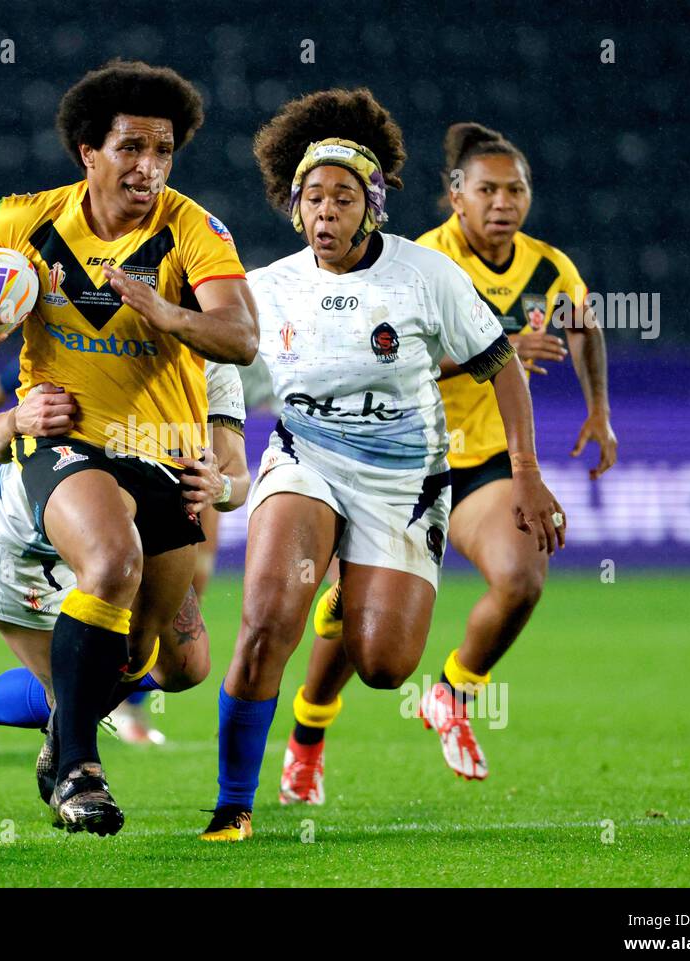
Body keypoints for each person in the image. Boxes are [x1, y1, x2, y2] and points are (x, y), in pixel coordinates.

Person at [0, 60, 257, 836]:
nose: (149, 167)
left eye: (164, 151)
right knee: (113, 563)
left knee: (143, 662)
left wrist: (169, 315)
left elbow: (241, 336)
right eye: (131, 148)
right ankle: (78, 771)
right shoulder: (30, 221)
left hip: (159, 453)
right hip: (63, 440)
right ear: (88, 152)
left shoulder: (193, 230)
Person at [199, 89, 565, 842]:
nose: (325, 213)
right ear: (294, 208)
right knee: (267, 621)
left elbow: (502, 365)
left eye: (343, 198)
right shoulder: (264, 289)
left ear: (375, 206)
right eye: (311, 199)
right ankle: (233, 804)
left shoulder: (425, 276)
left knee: (386, 667)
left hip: (405, 485)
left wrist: (525, 471)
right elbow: (209, 373)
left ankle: (344, 595)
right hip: (305, 460)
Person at [280, 122, 616, 802]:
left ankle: (454, 695)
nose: (503, 202)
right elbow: (377, 363)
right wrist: (495, 355)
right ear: (455, 197)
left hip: (484, 461)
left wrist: (598, 410)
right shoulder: (414, 263)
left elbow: (584, 325)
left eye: (515, 190)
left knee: (522, 579)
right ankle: (308, 737)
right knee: (352, 621)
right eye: (487, 189)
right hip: (398, 461)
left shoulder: (549, 267)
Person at [0, 359, 249, 789]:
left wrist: (220, 487)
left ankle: (67, 727)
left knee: (187, 665)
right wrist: (13, 418)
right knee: (81, 691)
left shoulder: (212, 361)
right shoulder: (91, 333)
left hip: (127, 540)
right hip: (26, 554)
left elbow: (237, 477)